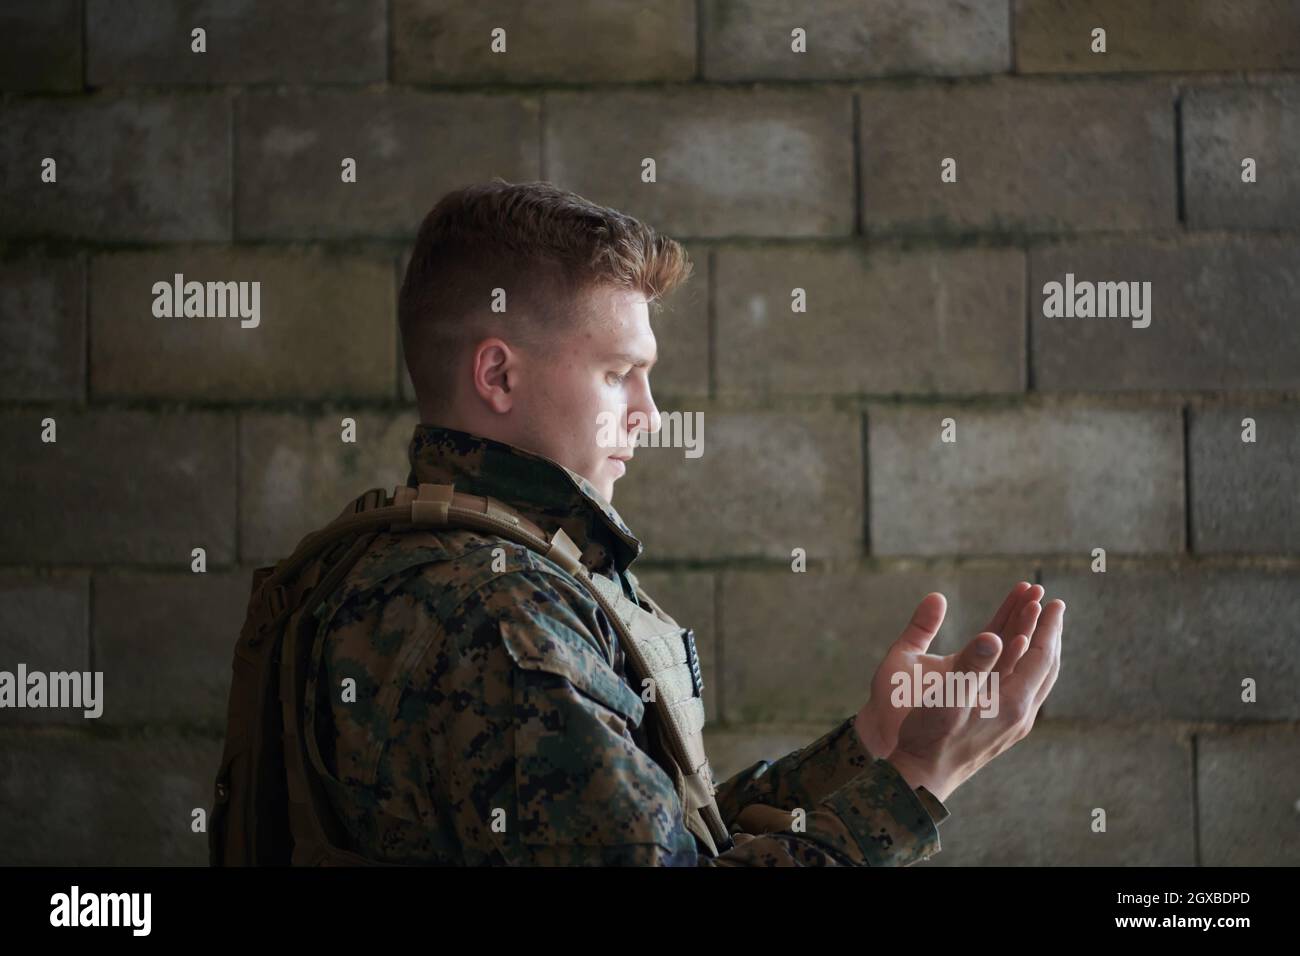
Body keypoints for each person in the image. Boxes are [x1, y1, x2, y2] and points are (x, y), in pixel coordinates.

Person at [298, 179, 1065, 865]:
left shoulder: (408, 562)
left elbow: (666, 841)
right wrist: (918, 780)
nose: (650, 417)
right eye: (617, 373)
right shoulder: (502, 617)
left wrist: (872, 744)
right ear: (499, 375)